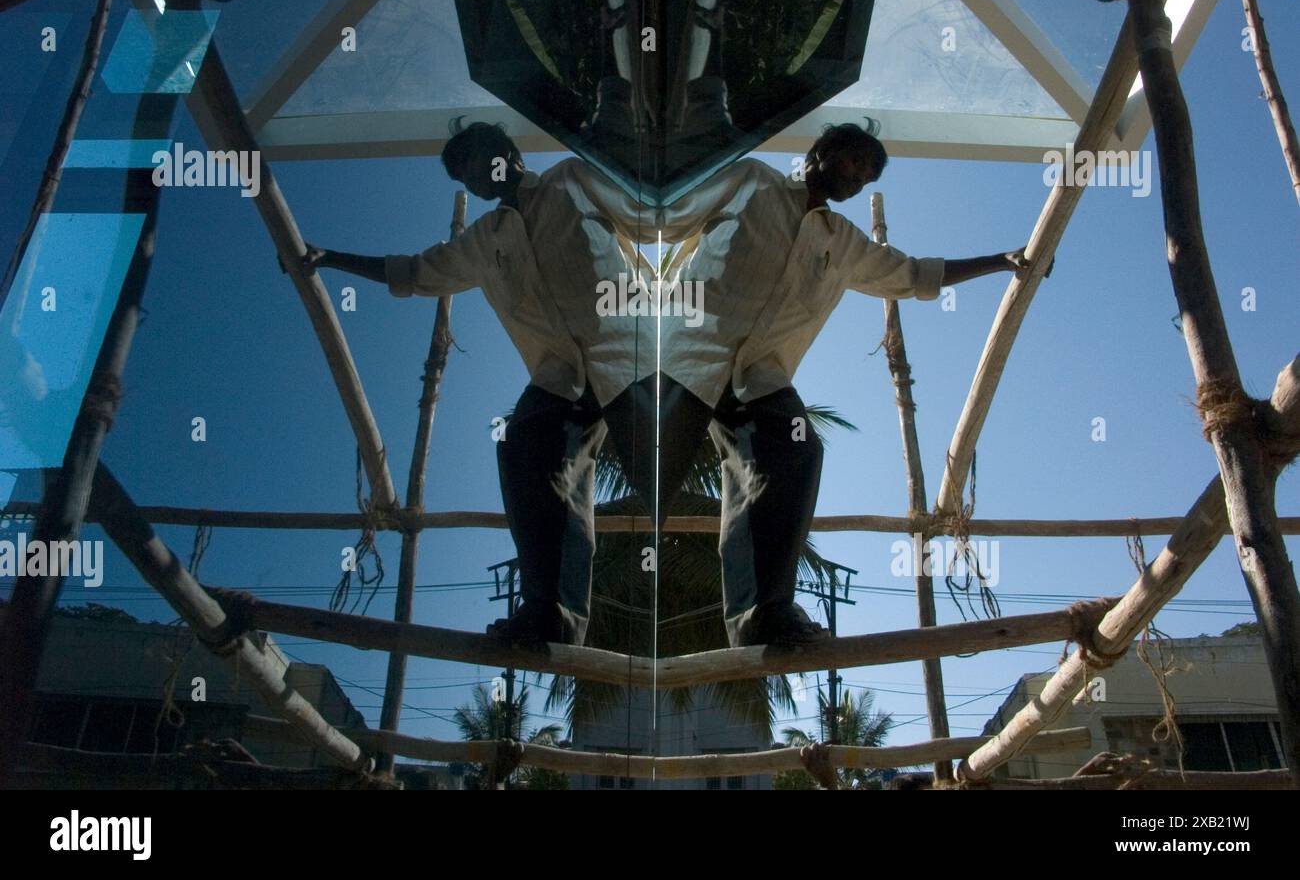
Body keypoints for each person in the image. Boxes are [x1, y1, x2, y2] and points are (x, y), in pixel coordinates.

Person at [655, 123, 1052, 646]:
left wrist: (1000, 261)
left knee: (795, 455)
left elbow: (913, 274)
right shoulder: (750, 182)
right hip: (681, 354)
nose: (859, 180)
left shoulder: (843, 243)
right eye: (854, 164)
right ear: (821, 152)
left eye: (868, 178)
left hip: (759, 378)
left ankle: (763, 617)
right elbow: (669, 205)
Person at [290, 120, 660, 647]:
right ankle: (552, 613)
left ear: (509, 151)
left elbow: (648, 204)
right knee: (527, 442)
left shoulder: (575, 180)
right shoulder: (483, 243)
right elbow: (415, 272)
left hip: (639, 350)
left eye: (480, 160)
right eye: (465, 178)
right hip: (563, 378)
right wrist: (331, 259)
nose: (478, 180)